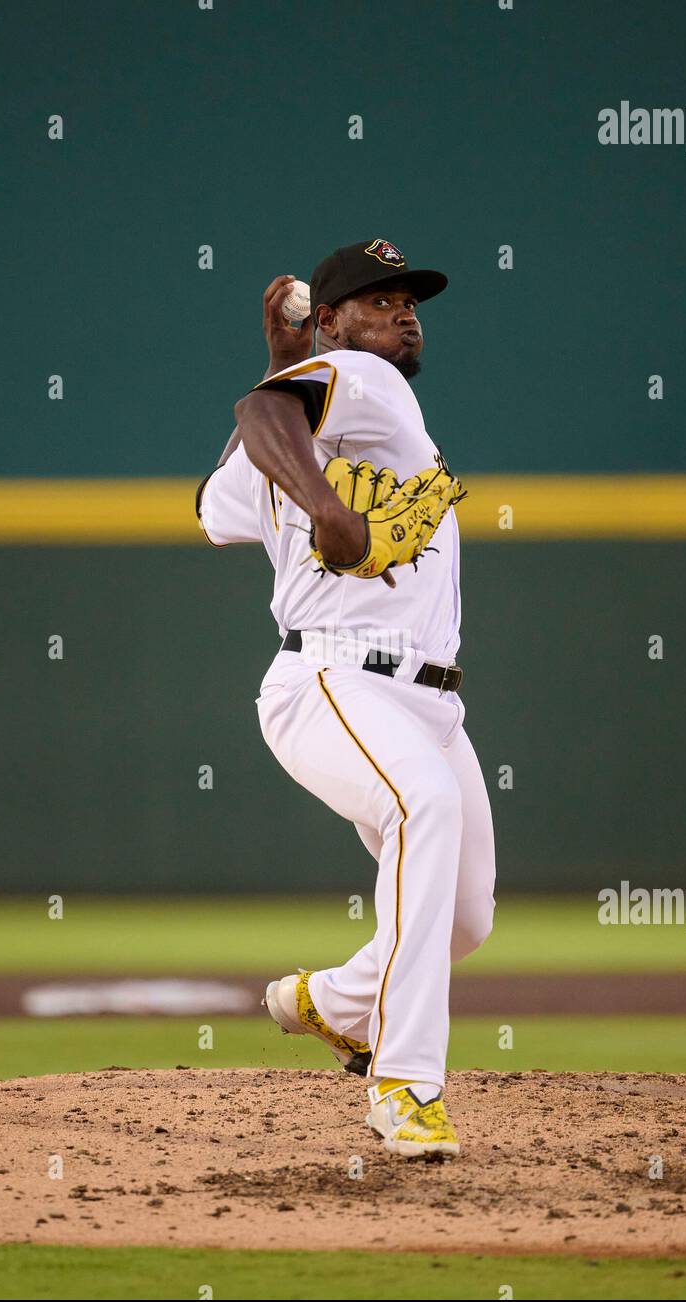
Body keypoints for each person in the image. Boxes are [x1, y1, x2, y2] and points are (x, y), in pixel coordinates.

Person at [197, 240, 496, 1157]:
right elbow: (258, 419)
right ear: (331, 324)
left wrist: (288, 371)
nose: (403, 313)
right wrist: (326, 501)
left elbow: (221, 500)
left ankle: (329, 1003)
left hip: (429, 703)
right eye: (377, 299)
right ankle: (405, 1087)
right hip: (331, 678)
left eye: (410, 300)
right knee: (424, 806)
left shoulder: (338, 400)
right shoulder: (367, 383)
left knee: (463, 918)